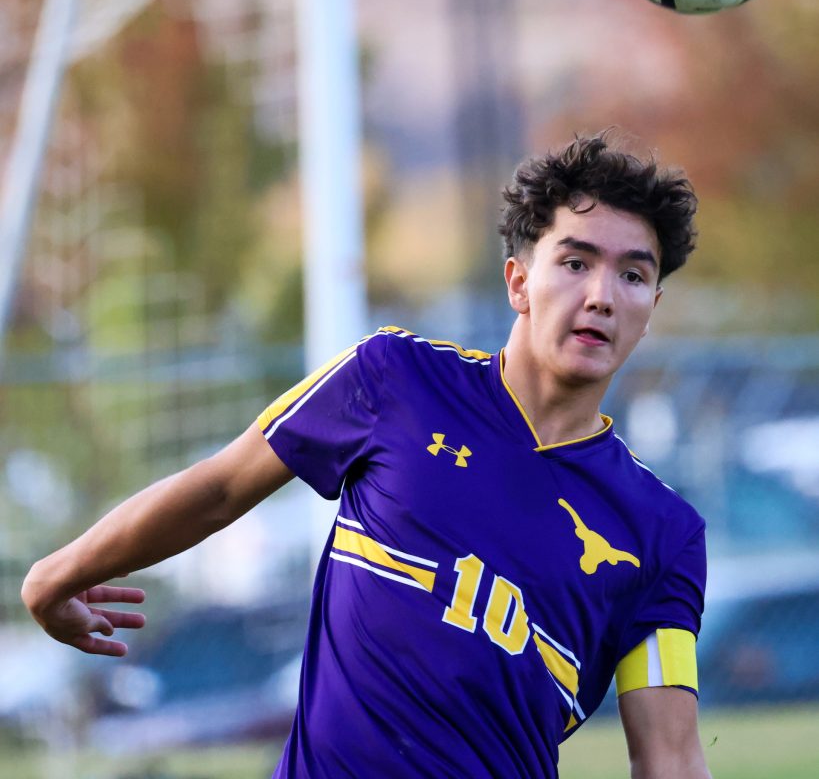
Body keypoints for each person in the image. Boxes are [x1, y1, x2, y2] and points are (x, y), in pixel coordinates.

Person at [22, 133, 712, 779]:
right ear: (518, 281)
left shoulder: (662, 533)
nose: (599, 295)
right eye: (574, 262)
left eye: (630, 275)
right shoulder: (393, 381)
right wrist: (57, 575)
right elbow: (219, 489)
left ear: (650, 304)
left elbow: (670, 757)